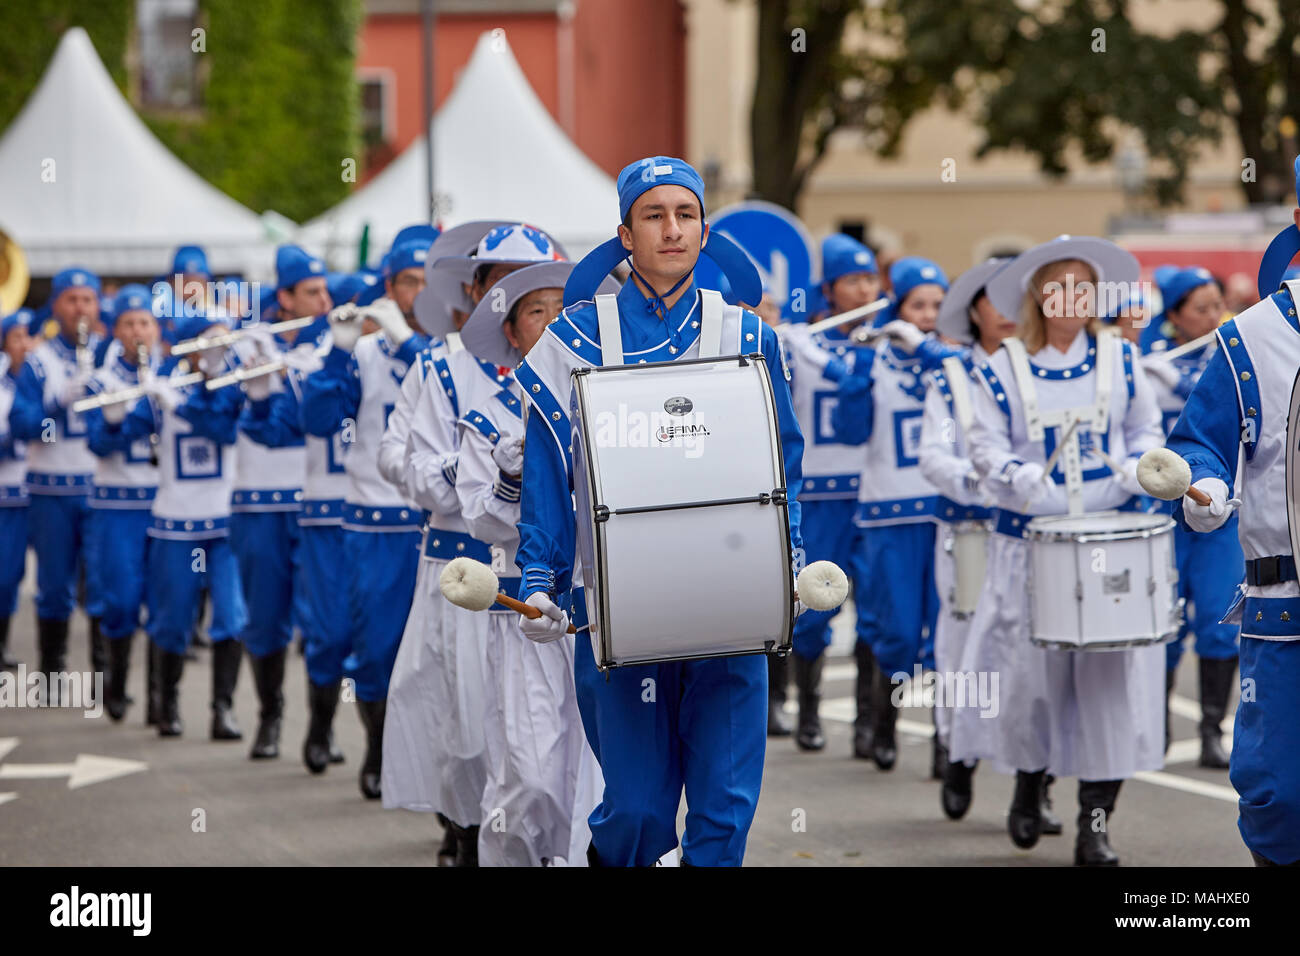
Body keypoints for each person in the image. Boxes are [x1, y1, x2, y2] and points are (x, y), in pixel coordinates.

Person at [515, 156, 804, 866]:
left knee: (724, 810)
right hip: (617, 607)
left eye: (685, 214)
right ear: (625, 234)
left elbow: (784, 465)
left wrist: (790, 563)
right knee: (638, 810)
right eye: (654, 215)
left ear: (705, 231)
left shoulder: (749, 336)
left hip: (733, 600)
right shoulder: (573, 340)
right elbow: (549, 474)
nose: (671, 229)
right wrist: (537, 578)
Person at [957, 235, 1165, 865]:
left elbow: (1145, 429)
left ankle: (1094, 824)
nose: (1071, 297)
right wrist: (1016, 475)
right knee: (1032, 685)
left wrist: (1136, 466)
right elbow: (983, 442)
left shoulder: (1123, 360)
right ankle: (1029, 785)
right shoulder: (1002, 364)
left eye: (1083, 286)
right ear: (1038, 295)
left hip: (1109, 542)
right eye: (1059, 284)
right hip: (1030, 546)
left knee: (1106, 690)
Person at [380, 221, 565, 863]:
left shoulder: (577, 366)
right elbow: (399, 459)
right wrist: (471, 475)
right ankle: (465, 831)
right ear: (481, 291)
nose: (521, 291)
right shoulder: (440, 368)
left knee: (537, 737)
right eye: (503, 278)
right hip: (464, 569)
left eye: (540, 286)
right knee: (463, 722)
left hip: (545, 574)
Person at [456, 260, 603, 866]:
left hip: (599, 612)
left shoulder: (606, 393)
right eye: (535, 312)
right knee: (530, 776)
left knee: (595, 778)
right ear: (511, 332)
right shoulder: (488, 412)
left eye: (561, 310)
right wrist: (513, 479)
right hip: (525, 611)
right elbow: (480, 520)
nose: (551, 323)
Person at [1166, 226, 1300, 866]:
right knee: (1280, 797)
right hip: (1286, 600)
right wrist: (1207, 484)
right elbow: (1201, 440)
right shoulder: (1250, 337)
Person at [301, 239, 433, 799]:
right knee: (377, 648)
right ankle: (378, 748)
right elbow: (317, 419)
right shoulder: (363, 355)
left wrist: (412, 347)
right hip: (375, 522)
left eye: (430, 278)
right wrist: (337, 351)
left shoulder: (450, 351)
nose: (419, 292)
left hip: (438, 521)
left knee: (439, 654)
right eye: (408, 280)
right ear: (388, 286)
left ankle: (434, 773)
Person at [830, 255, 959, 773]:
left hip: (949, 514)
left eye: (937, 306)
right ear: (897, 307)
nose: (928, 315)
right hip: (888, 514)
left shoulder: (956, 360)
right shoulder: (873, 356)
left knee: (951, 630)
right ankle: (884, 720)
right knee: (900, 631)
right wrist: (858, 377)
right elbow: (849, 431)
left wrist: (933, 354)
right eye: (917, 305)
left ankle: (949, 743)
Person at [104, 313, 258, 738]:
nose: (219, 352)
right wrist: (115, 417)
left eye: (224, 344)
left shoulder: (233, 386)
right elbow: (109, 443)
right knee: (172, 618)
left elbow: (224, 431)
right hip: (175, 526)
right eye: (211, 343)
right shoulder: (161, 389)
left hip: (224, 524)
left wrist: (181, 405)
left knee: (231, 614)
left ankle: (222, 708)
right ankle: (166, 701)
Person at [916, 258, 1025, 817]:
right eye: (995, 301)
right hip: (969, 529)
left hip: (1031, 533)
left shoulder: (1043, 372)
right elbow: (932, 453)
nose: (1007, 313)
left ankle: (1036, 784)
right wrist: (975, 483)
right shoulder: (951, 377)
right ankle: (957, 755)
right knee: (964, 647)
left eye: (1017, 300)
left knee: (1033, 652)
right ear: (974, 311)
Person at [776, 234, 883, 753]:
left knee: (880, 606)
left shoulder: (891, 339)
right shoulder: (800, 340)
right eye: (853, 281)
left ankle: (868, 719)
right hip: (819, 493)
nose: (865, 290)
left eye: (871, 279)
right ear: (830, 288)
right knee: (816, 603)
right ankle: (809, 708)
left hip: (875, 491)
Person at [229, 245, 330, 759]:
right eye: (311, 292)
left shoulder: (333, 343)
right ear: (285, 296)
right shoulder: (247, 344)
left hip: (314, 503)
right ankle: (269, 718)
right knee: (265, 616)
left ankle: (321, 728)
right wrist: (249, 386)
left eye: (323, 289)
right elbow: (221, 417)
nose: (323, 299)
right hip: (256, 503)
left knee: (320, 618)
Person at [1140, 267, 1241, 769]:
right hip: (1163, 514)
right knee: (1165, 619)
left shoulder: (1232, 354)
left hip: (1218, 509)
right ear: (1174, 314)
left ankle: (1210, 730)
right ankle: (1154, 724)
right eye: (1197, 307)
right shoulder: (1147, 360)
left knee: (1221, 620)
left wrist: (1183, 377)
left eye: (1214, 305)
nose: (1209, 316)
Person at [6, 268, 103, 700]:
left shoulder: (111, 352)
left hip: (102, 488)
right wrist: (58, 407)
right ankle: (52, 673)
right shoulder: (39, 359)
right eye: (71, 300)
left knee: (104, 581)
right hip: (51, 489)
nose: (80, 308)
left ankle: (107, 675)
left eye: (87, 300)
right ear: (57, 305)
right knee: (54, 583)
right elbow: (25, 426)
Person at [82, 285, 161, 720]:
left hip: (165, 505)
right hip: (117, 506)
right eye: (129, 324)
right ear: (115, 331)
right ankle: (115, 681)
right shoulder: (101, 380)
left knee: (165, 600)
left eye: (145, 323)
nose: (137, 332)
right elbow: (95, 442)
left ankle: (157, 698)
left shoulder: (171, 378)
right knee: (122, 599)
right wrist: (126, 422)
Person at [0, 310, 35, 670]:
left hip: (25, 491)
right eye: (17, 338)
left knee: (12, 574)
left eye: (28, 337)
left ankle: (3, 643)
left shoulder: (36, 381)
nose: (25, 345)